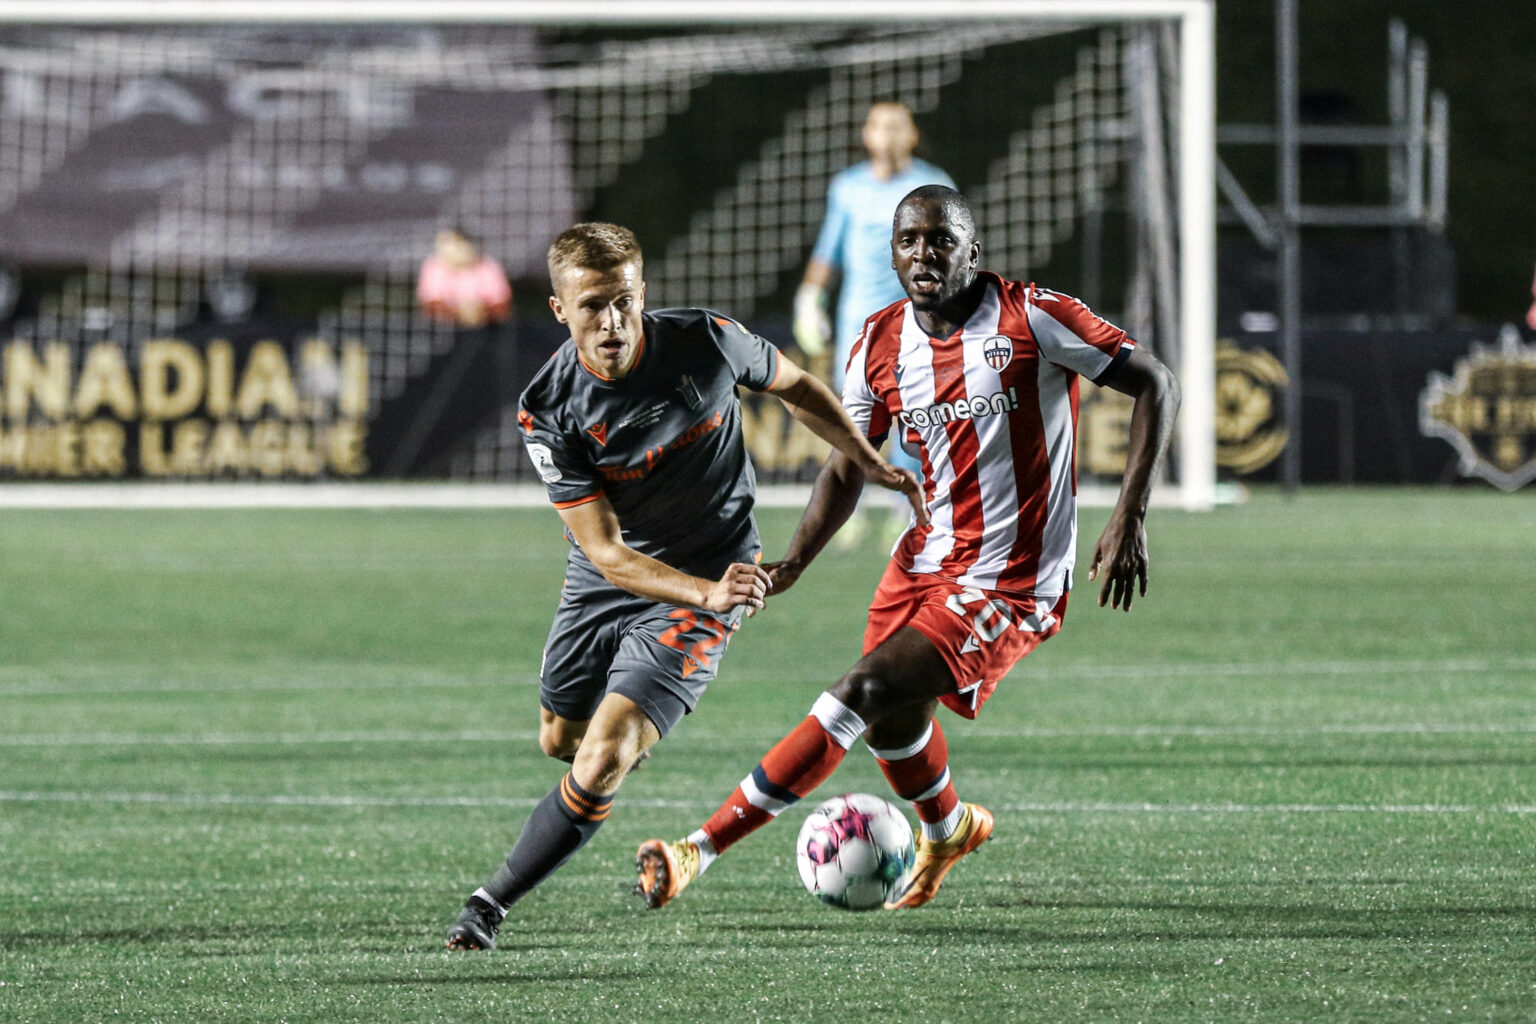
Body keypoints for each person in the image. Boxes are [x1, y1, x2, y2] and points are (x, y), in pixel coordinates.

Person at [635, 185, 1180, 912]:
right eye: (909, 241)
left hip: (1010, 580)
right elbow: (848, 462)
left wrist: (1130, 513)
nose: (923, 253)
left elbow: (1156, 382)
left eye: (940, 240)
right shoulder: (879, 341)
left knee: (859, 693)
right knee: (895, 716)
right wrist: (795, 560)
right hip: (924, 559)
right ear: (893, 253)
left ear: (971, 251)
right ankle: (948, 827)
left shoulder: (1033, 315)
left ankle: (695, 851)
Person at [443, 222, 924, 950]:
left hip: (715, 574)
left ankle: (488, 904)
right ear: (559, 310)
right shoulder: (548, 406)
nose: (612, 322)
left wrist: (867, 456)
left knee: (601, 759)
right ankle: (634, 721)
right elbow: (604, 550)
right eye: (593, 306)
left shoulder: (708, 343)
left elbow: (797, 389)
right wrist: (699, 593)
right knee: (561, 741)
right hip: (610, 578)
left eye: (625, 302)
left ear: (644, 294)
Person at [794, 102, 954, 549]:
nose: (886, 133)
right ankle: (851, 508)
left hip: (918, 318)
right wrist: (810, 298)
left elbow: (956, 251)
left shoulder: (933, 184)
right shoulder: (848, 187)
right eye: (878, 124)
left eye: (896, 125)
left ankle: (913, 508)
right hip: (859, 323)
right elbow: (830, 246)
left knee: (919, 414)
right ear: (866, 135)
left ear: (912, 134)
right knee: (854, 418)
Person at [416, 226, 512, 329]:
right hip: (445, 331)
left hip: (485, 329)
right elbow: (430, 305)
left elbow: (502, 306)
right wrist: (459, 312)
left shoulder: (488, 266)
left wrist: (480, 311)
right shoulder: (434, 266)